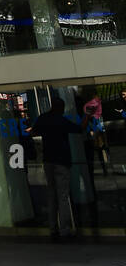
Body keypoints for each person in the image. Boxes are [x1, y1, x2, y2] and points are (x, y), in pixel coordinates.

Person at [27, 96, 88, 240]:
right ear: (61, 108)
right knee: (62, 196)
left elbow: (33, 132)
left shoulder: (43, 118)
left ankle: (52, 228)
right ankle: (65, 229)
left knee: (51, 195)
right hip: (61, 161)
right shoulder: (61, 120)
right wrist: (87, 115)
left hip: (48, 160)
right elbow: (80, 129)